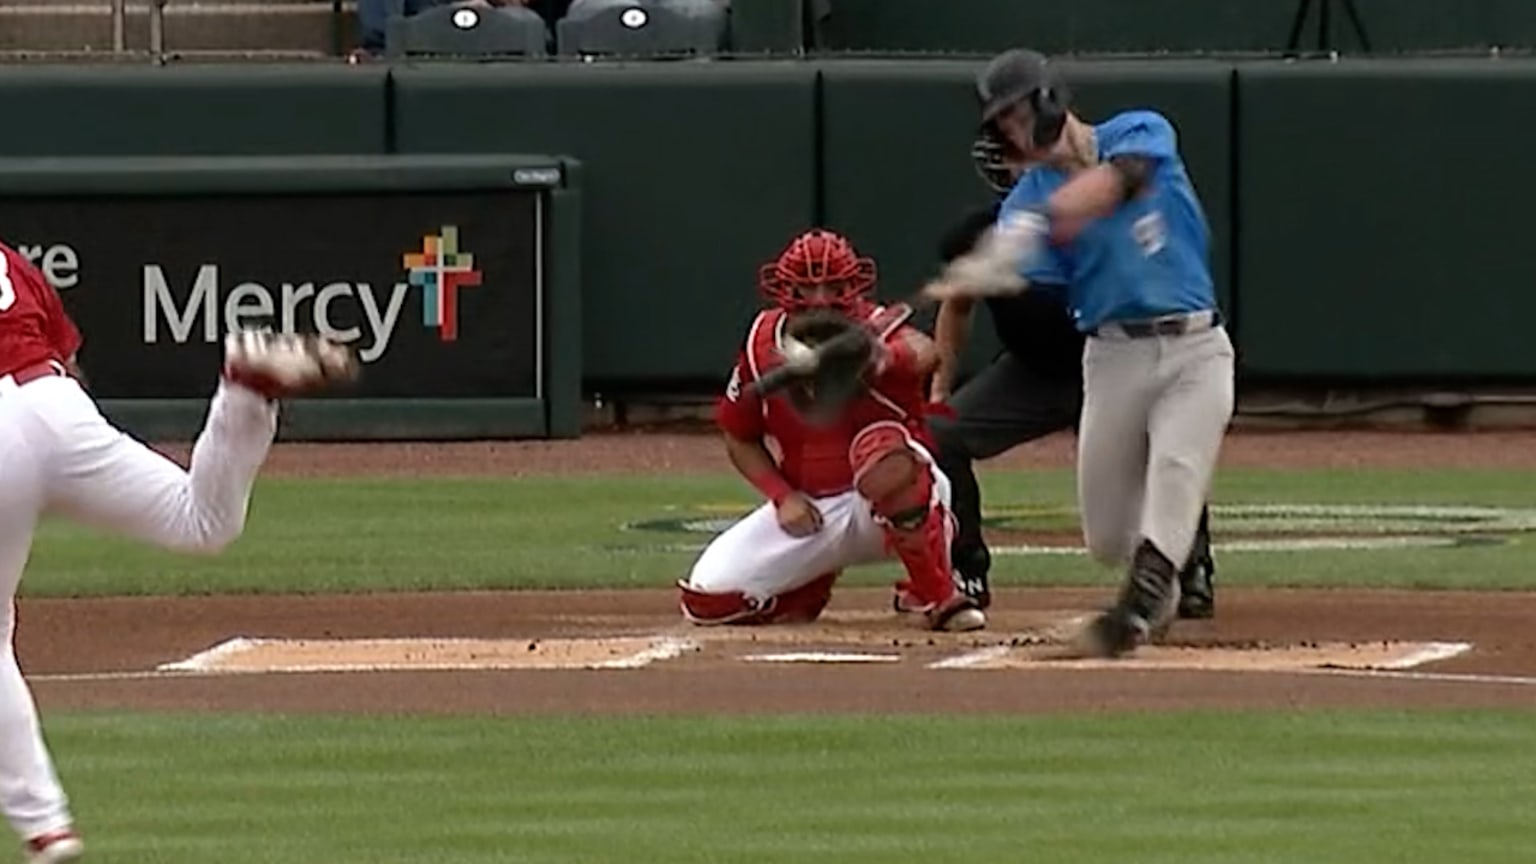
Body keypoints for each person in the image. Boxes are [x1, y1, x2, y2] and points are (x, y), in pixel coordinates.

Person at [0, 239, 358, 863]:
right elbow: (67, 360)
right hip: (58, 408)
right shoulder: (8, 258)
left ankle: (46, 825)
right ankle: (246, 391)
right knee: (201, 520)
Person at [928, 48, 1235, 657]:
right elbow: (1014, 255)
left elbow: (1119, 181)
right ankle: (1161, 576)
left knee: (1176, 466)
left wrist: (1043, 221)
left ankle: (1143, 601)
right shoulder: (1025, 202)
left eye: (1018, 116)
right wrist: (994, 259)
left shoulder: (1139, 129)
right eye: (1002, 125)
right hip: (1112, 357)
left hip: (1196, 349)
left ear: (1048, 100)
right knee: (1104, 536)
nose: (1013, 133)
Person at [676, 228, 986, 633]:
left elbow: (925, 353)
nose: (820, 298)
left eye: (832, 286)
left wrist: (876, 358)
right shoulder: (761, 342)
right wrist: (783, 497)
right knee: (708, 598)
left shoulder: (877, 327)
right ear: (784, 289)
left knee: (880, 452)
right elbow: (739, 434)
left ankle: (935, 592)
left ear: (853, 286)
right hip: (813, 507)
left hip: (888, 497)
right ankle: (807, 585)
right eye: (807, 289)